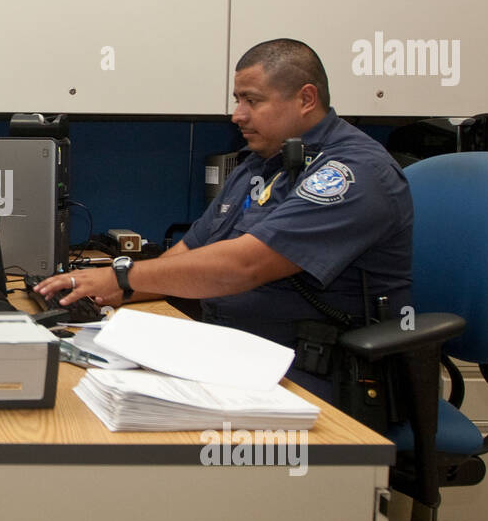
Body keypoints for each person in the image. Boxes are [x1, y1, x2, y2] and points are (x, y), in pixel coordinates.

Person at [35, 37, 413, 399]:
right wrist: (104, 290)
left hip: (310, 371)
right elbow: (186, 253)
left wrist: (122, 277)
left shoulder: (355, 172)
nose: (237, 115)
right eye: (237, 100)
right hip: (233, 351)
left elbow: (245, 265)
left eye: (252, 100)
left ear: (306, 99)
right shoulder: (260, 165)